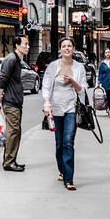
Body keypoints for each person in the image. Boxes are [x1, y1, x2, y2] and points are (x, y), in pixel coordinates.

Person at [42, 37, 88, 190]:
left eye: (69, 46)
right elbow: (46, 86)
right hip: (55, 108)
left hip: (71, 108)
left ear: (73, 48)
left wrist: (73, 81)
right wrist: (47, 103)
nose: (67, 48)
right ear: (60, 49)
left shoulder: (79, 67)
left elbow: (84, 90)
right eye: (64, 46)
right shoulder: (53, 66)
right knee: (59, 144)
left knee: (68, 142)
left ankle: (69, 179)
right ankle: (62, 169)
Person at [0, 36, 30, 172]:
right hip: (10, 102)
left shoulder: (17, 60)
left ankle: (11, 160)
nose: (27, 46)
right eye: (25, 44)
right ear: (17, 46)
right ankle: (9, 162)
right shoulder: (11, 59)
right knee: (13, 132)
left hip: (15, 101)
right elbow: (2, 79)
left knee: (16, 132)